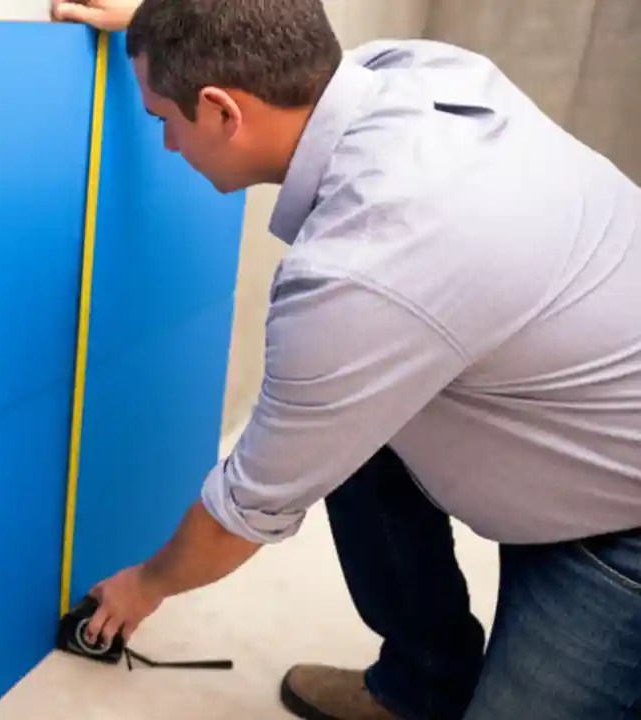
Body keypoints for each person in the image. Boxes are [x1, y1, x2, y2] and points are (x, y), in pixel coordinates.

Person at [50, 0, 641, 718]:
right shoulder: (411, 70)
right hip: (571, 404)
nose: (168, 144)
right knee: (338, 435)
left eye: (162, 118)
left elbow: (246, 509)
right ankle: (421, 685)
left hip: (620, 516)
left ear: (222, 110)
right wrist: (165, 23)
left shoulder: (359, 272)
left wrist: (145, 586)